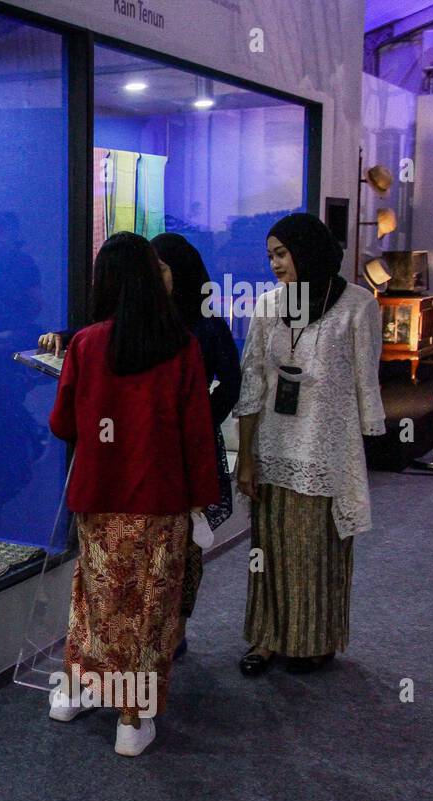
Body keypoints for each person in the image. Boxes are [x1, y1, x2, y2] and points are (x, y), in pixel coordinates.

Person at [47, 232, 219, 757]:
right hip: (160, 501)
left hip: (99, 498)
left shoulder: (87, 343)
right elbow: (196, 433)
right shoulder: (180, 345)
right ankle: (130, 721)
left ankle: (73, 693)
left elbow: (61, 424)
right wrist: (203, 503)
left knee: (95, 600)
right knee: (149, 610)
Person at [234, 213, 385, 676]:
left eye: (282, 253)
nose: (275, 264)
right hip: (274, 446)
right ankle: (265, 637)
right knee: (268, 549)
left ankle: (313, 640)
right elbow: (253, 383)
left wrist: (366, 445)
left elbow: (366, 381)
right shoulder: (267, 306)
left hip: (325, 448)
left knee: (315, 551)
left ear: (307, 250)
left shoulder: (358, 306)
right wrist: (245, 457)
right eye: (270, 256)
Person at [150, 233, 242, 659]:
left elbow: (232, 381)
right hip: (148, 449)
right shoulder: (143, 319)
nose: (155, 276)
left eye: (163, 267)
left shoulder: (207, 326)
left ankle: (177, 630)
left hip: (191, 448)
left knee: (186, 542)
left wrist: (202, 419)